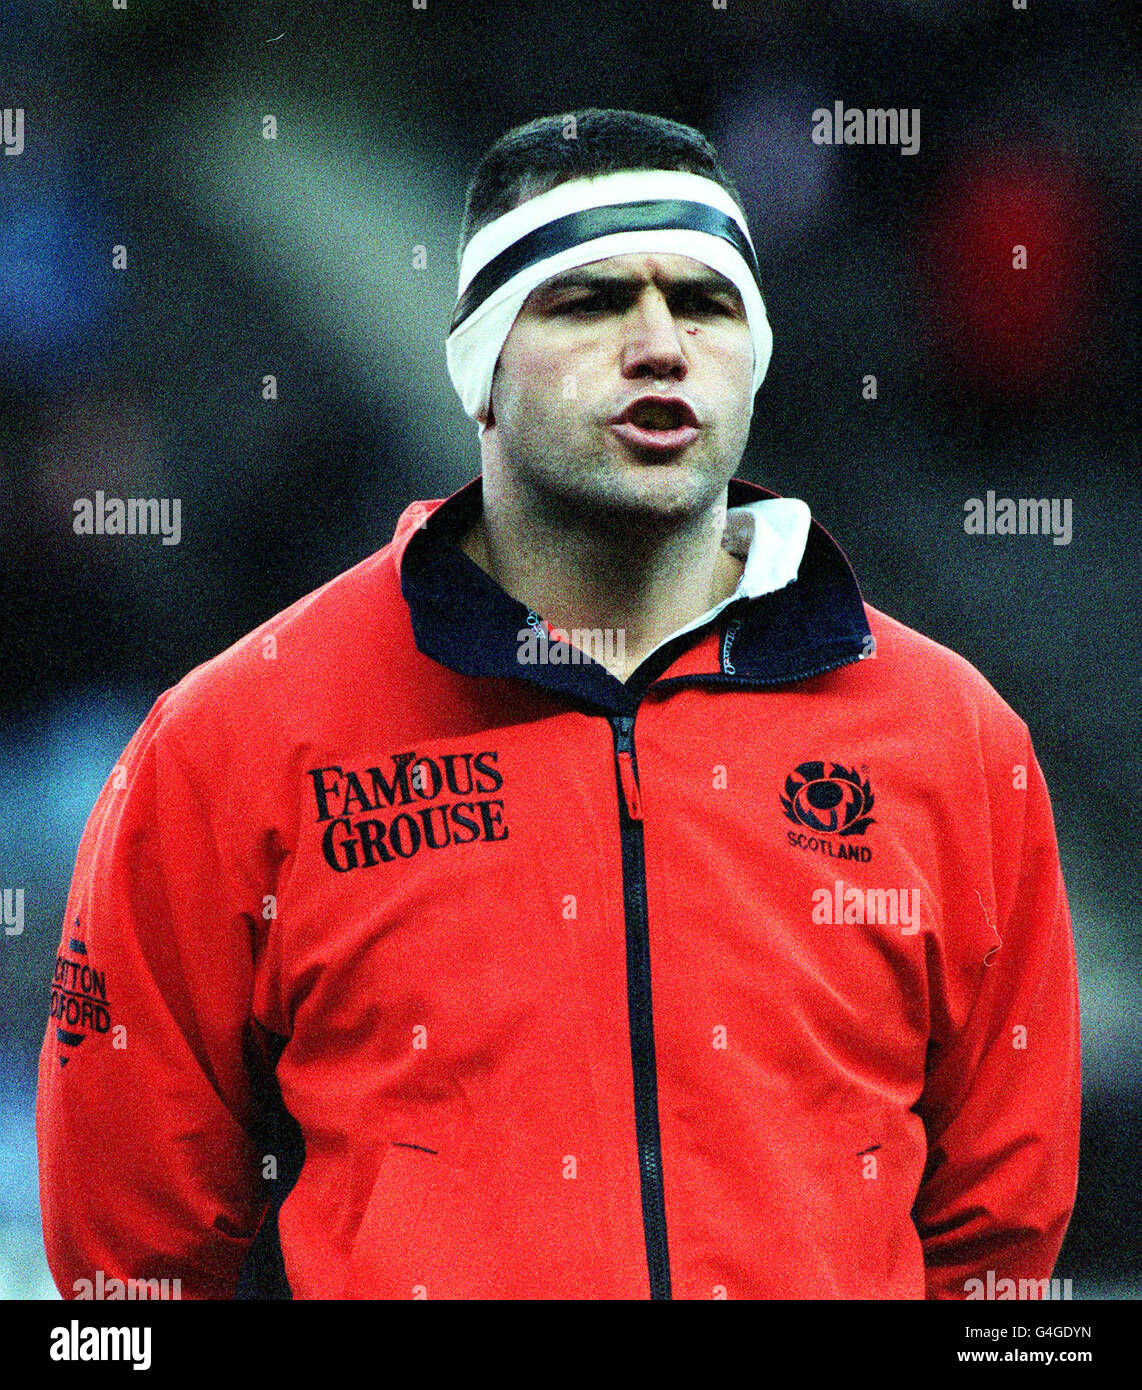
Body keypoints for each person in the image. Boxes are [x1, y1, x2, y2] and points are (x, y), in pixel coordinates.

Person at [37, 108, 1080, 1300]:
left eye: (705, 303)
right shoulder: (236, 738)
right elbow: (131, 1260)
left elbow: (996, 1247)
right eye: (587, 302)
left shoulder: (951, 738)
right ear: (478, 368)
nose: (659, 346)